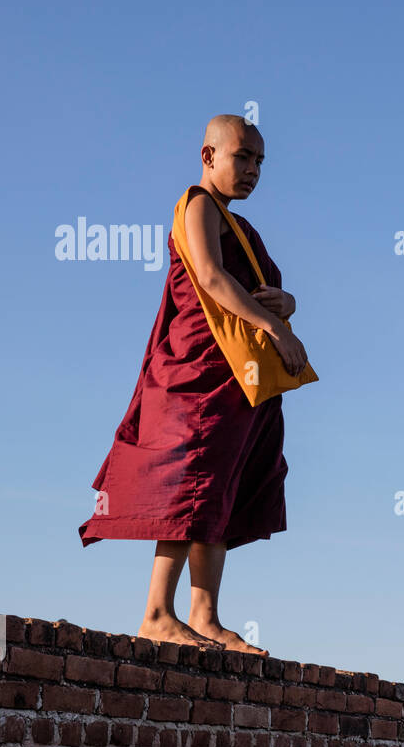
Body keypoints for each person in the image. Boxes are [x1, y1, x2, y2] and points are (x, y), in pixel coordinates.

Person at [78, 114, 309, 654]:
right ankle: (158, 612)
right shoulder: (199, 204)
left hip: (236, 376)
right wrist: (275, 327)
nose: (251, 170)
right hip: (197, 369)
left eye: (259, 162)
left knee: (219, 486)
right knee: (189, 480)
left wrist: (288, 303)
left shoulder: (243, 227)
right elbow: (208, 276)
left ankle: (205, 616)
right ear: (208, 157)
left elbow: (260, 286)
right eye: (241, 157)